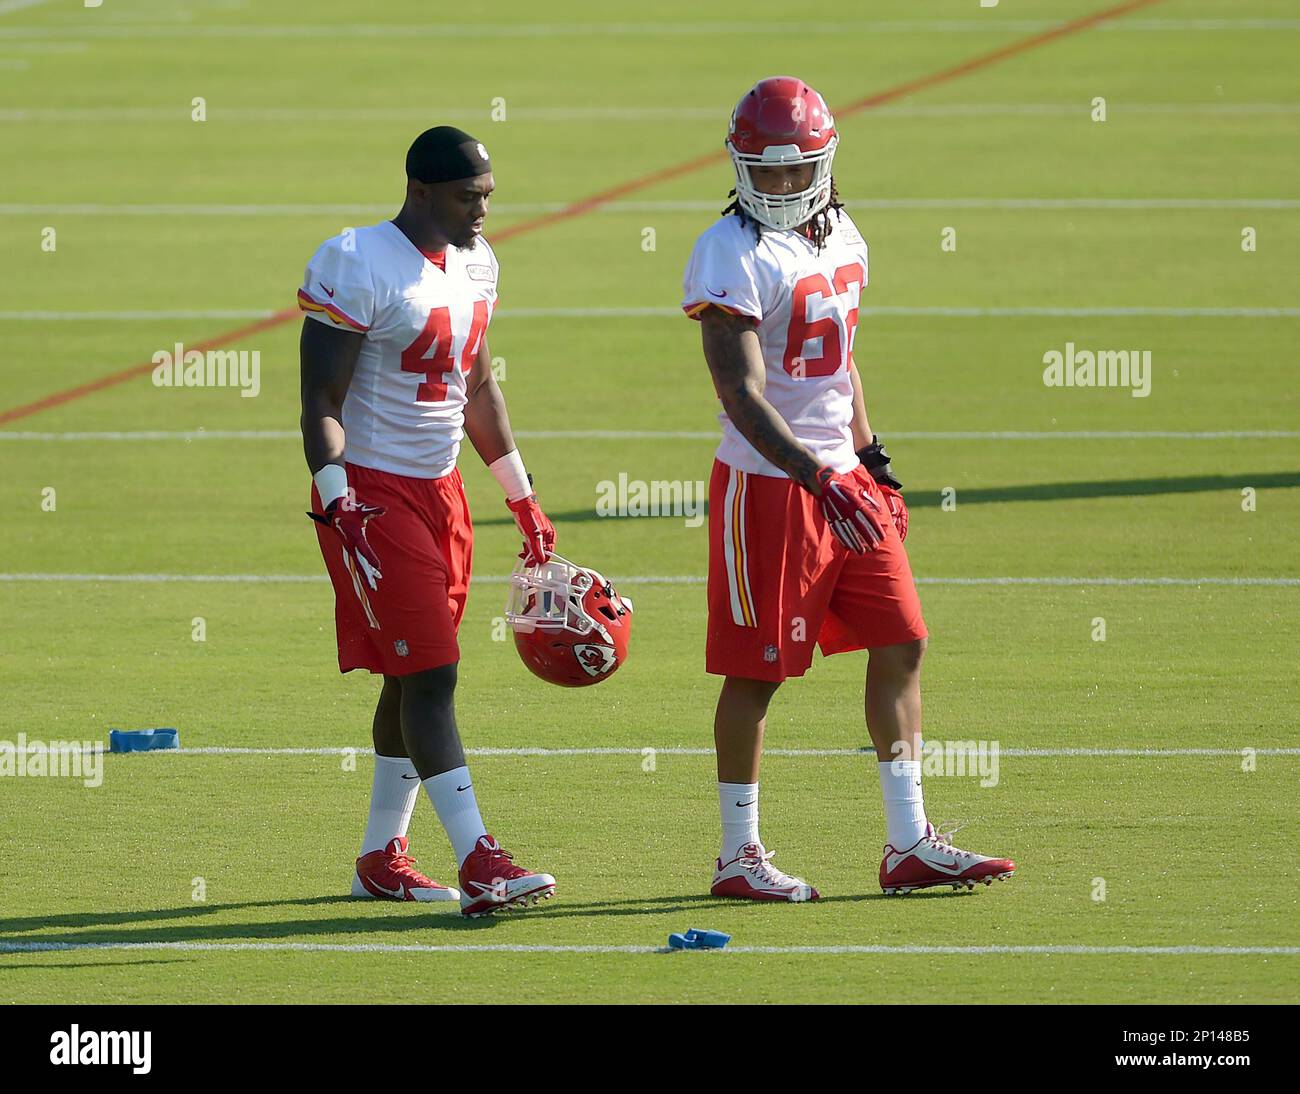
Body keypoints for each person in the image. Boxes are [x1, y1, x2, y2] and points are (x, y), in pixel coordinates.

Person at [681, 77, 1015, 899]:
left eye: (799, 172)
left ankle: (908, 843)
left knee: (902, 640)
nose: (784, 187)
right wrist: (815, 476)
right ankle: (738, 856)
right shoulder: (728, 251)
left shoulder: (847, 237)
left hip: (841, 483)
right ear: (738, 166)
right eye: (767, 173)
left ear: (826, 164)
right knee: (756, 673)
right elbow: (739, 390)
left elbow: (842, 367)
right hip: (769, 487)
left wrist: (874, 461)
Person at [298, 126, 557, 916]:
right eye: (465, 196)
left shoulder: (480, 263)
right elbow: (320, 400)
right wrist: (337, 491)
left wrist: (521, 494)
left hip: (442, 492)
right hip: (372, 496)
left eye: (486, 194)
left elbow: (477, 388)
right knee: (434, 675)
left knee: (410, 674)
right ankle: (481, 860)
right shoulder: (359, 261)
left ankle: (381, 857)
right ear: (419, 191)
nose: (481, 210)